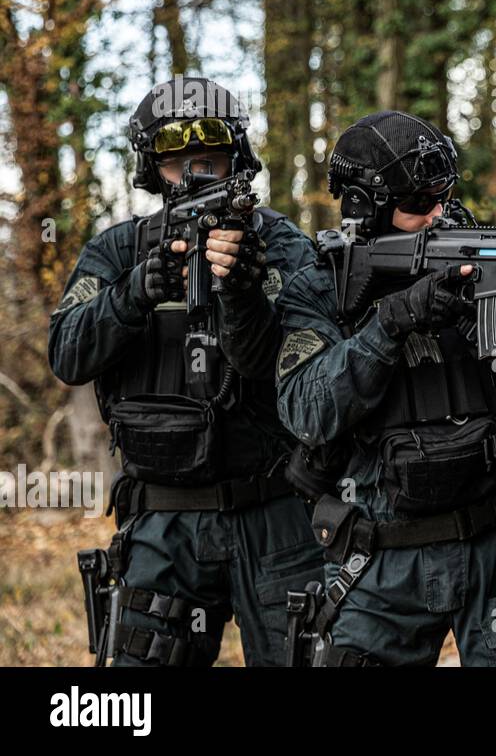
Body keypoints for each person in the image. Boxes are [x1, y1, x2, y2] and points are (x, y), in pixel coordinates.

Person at [275, 110, 496, 666]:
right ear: (363, 209)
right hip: (376, 556)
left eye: (444, 195)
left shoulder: (477, 251)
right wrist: (391, 324)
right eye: (420, 203)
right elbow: (307, 410)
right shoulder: (321, 288)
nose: (440, 212)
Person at [48, 76, 322, 666]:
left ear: (236, 161)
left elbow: (305, 372)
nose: (196, 176)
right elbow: (67, 354)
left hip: (273, 511)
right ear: (153, 168)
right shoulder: (120, 250)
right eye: (178, 165)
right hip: (162, 520)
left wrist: (246, 290)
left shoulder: (280, 245)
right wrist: (131, 296)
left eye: (211, 160)